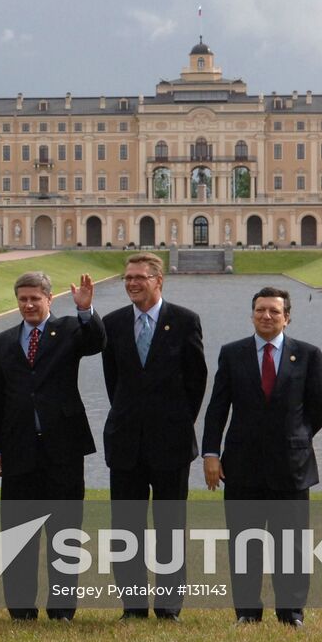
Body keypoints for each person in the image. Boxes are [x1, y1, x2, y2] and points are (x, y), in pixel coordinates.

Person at [202, 286, 322, 628]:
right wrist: (211, 454)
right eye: (260, 310)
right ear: (252, 315)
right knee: (244, 544)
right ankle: (247, 612)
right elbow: (217, 408)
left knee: (291, 545)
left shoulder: (308, 355)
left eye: (274, 311)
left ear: (287, 317)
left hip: (292, 467)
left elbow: (320, 407)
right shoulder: (232, 354)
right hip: (242, 467)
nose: (267, 316)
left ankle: (291, 613)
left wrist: (297, 439)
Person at [0, 271, 105, 621]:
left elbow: (97, 343)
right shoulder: (3, 341)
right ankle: (21, 608)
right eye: (23, 299)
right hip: (18, 448)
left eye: (35, 299)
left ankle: (62, 609)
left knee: (65, 532)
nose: (28, 305)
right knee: (17, 531)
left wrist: (86, 310)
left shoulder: (70, 329)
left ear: (49, 299)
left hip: (63, 448)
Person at [99, 252, 206, 620]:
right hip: (125, 439)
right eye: (128, 277)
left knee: (169, 525)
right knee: (126, 527)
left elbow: (196, 382)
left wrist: (175, 422)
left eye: (139, 277)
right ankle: (132, 606)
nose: (131, 283)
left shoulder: (185, 321)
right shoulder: (112, 324)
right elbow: (113, 382)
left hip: (171, 441)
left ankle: (168, 606)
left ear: (159, 281)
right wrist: (133, 416)